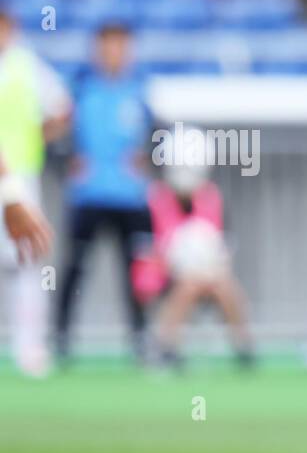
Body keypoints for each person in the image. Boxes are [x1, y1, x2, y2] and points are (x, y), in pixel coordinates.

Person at [55, 22, 153, 364]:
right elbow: (55, 135)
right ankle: (62, 337)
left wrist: (148, 157)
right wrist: (67, 160)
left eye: (121, 45)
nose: (114, 52)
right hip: (89, 195)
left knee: (136, 271)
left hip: (130, 197)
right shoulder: (81, 88)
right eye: (108, 45)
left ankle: (141, 338)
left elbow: (158, 135)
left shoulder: (140, 90)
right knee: (76, 267)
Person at [0, 5, 72, 377]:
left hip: (18, 180)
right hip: (11, 183)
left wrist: (38, 140)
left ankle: (29, 348)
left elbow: (61, 108)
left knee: (27, 262)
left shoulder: (27, 66)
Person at [141, 137, 254, 370]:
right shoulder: (155, 199)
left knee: (225, 285)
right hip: (165, 276)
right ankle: (167, 346)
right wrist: (173, 262)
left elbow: (224, 244)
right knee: (188, 286)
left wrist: (213, 266)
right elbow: (146, 249)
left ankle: (243, 346)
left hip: (208, 274)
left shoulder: (212, 197)